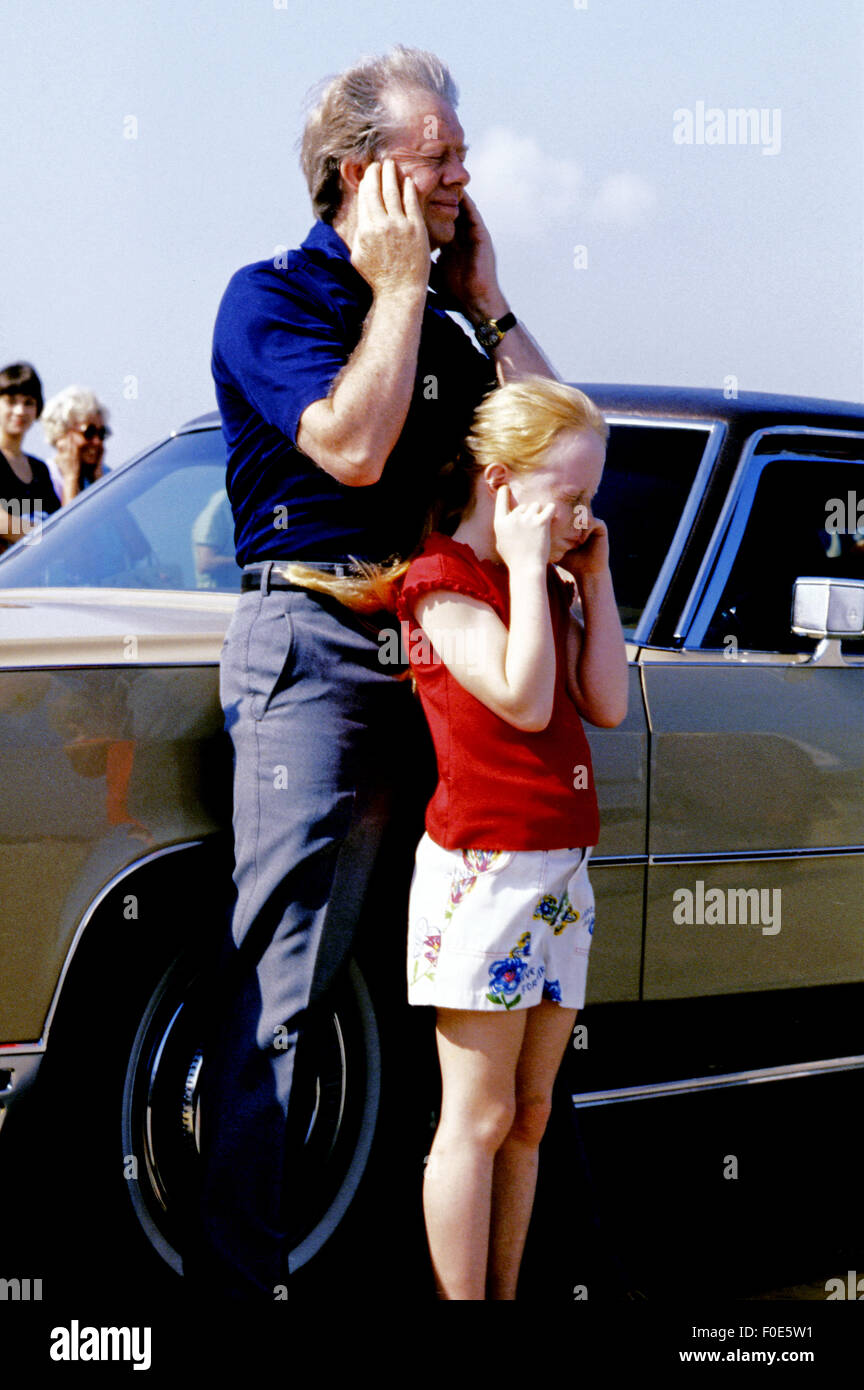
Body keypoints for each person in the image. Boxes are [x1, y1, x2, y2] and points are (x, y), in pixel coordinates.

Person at [200, 45, 558, 1298]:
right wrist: (403, 290)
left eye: (463, 154)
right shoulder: (268, 298)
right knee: (285, 982)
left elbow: (559, 461)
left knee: (456, 977)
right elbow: (350, 449)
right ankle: (240, 1283)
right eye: (441, 156)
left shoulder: (458, 317)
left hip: (440, 650)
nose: (466, 174)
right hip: (316, 653)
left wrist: (489, 300)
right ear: (366, 173)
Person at [396, 376, 629, 1299]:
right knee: (478, 1116)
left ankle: (506, 1288)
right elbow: (525, 700)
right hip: (484, 877)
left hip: (560, 871)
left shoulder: (540, 582)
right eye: (568, 498)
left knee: (530, 1113)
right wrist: (532, 573)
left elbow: (604, 701)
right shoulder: (441, 584)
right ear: (502, 485)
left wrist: (592, 584)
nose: (581, 517)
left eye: (589, 500)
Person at [0, 362, 60, 550]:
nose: (20, 411)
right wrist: (47, 538)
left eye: (28, 403)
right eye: (11, 401)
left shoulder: (40, 469)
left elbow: (60, 522)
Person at [40, 385, 110, 504]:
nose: (97, 441)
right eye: (89, 432)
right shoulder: (45, 479)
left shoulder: (104, 472)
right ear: (62, 433)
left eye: (101, 433)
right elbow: (68, 522)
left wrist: (99, 480)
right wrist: (71, 479)